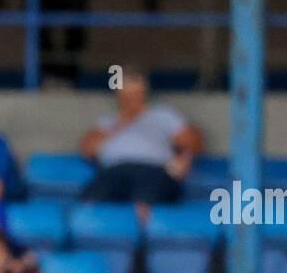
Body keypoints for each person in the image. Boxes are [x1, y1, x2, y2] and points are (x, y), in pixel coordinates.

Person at [79, 68, 204, 205]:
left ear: (144, 93)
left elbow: (193, 142)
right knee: (89, 205)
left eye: (135, 93)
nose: (131, 99)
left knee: (144, 201)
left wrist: (185, 159)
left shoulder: (163, 115)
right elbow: (87, 149)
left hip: (152, 170)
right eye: (126, 94)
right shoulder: (108, 121)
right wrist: (122, 122)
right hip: (114, 172)